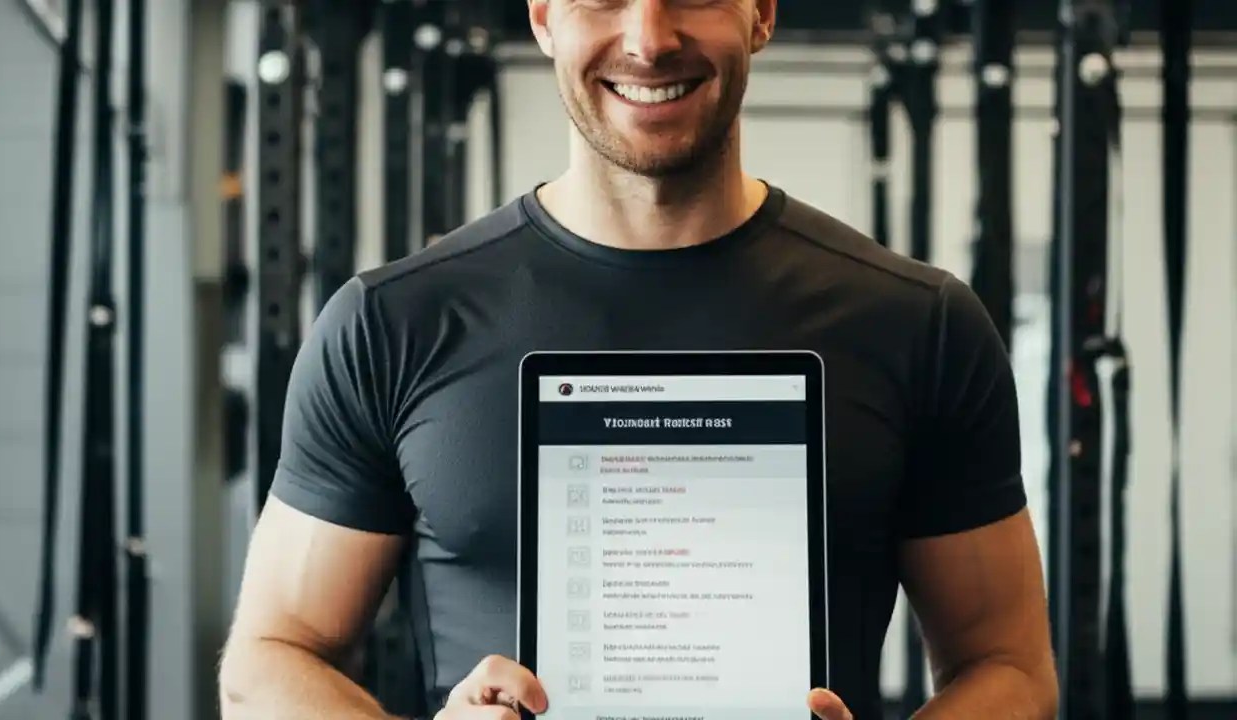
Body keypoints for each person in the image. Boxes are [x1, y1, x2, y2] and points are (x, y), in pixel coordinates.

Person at [218, 1, 1058, 719]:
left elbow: (1010, 668)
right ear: (544, 15)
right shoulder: (392, 324)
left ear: (761, 10)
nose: (649, 39)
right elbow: (267, 661)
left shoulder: (920, 323)